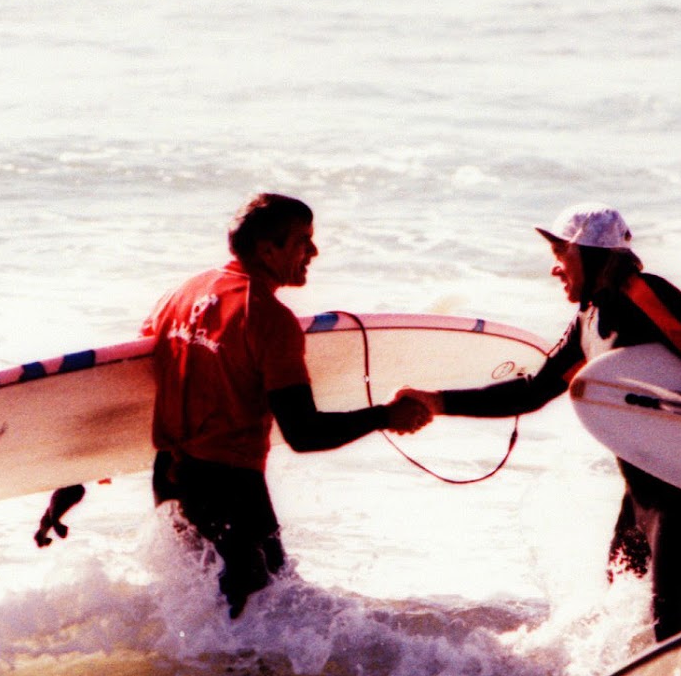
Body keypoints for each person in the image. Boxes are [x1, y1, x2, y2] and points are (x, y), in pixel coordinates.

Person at [38, 192, 432, 619]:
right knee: (262, 615)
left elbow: (133, 388)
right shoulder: (268, 319)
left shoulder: (182, 295)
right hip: (230, 488)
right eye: (303, 241)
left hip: (171, 479)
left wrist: (75, 475)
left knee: (211, 613)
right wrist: (387, 416)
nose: (313, 252)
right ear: (268, 250)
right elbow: (304, 433)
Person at [400, 205, 681, 641]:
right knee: (623, 615)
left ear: (588, 251)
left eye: (561, 252)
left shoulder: (645, 297)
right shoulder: (589, 320)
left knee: (673, 622)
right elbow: (533, 391)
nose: (554, 267)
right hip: (641, 492)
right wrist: (435, 402)